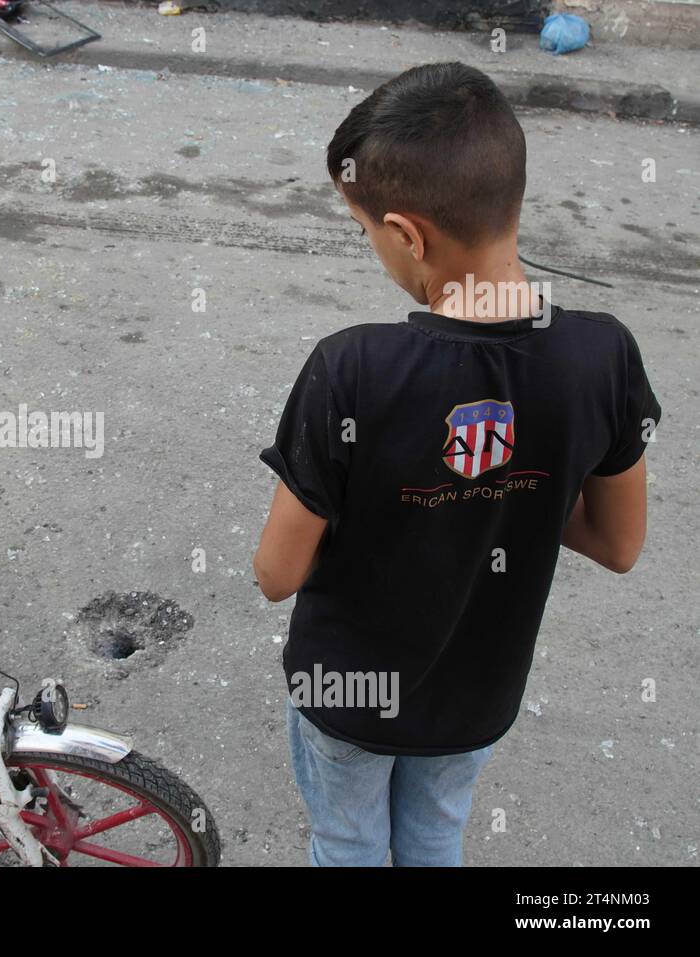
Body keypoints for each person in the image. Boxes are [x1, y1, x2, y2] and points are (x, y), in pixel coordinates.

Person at [252, 63, 661, 866]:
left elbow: (276, 572)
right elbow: (618, 544)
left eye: (367, 232)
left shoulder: (352, 369)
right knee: (437, 837)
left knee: (347, 838)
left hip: (351, 695)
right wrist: (509, 494)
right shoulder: (603, 354)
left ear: (407, 233)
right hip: (478, 694)